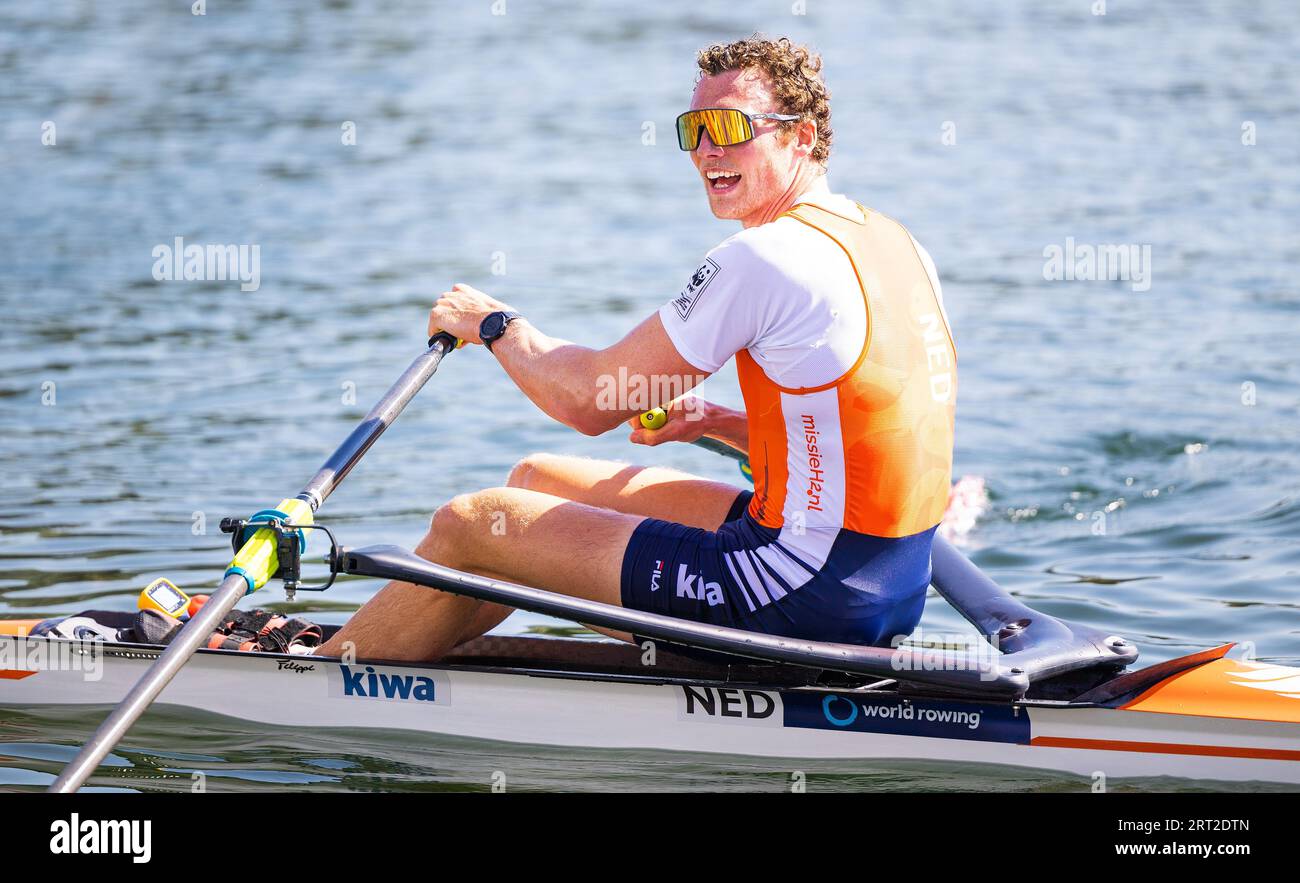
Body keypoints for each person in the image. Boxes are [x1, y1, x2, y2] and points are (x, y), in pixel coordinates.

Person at [317, 35, 956, 663]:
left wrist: (495, 326)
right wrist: (723, 422)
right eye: (695, 129)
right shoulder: (895, 241)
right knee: (537, 480)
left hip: (801, 597)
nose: (708, 150)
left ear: (801, 136)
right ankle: (410, 639)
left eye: (732, 126)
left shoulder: (764, 257)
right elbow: (867, 433)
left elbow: (593, 402)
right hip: (889, 582)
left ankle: (323, 675)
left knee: (473, 522)